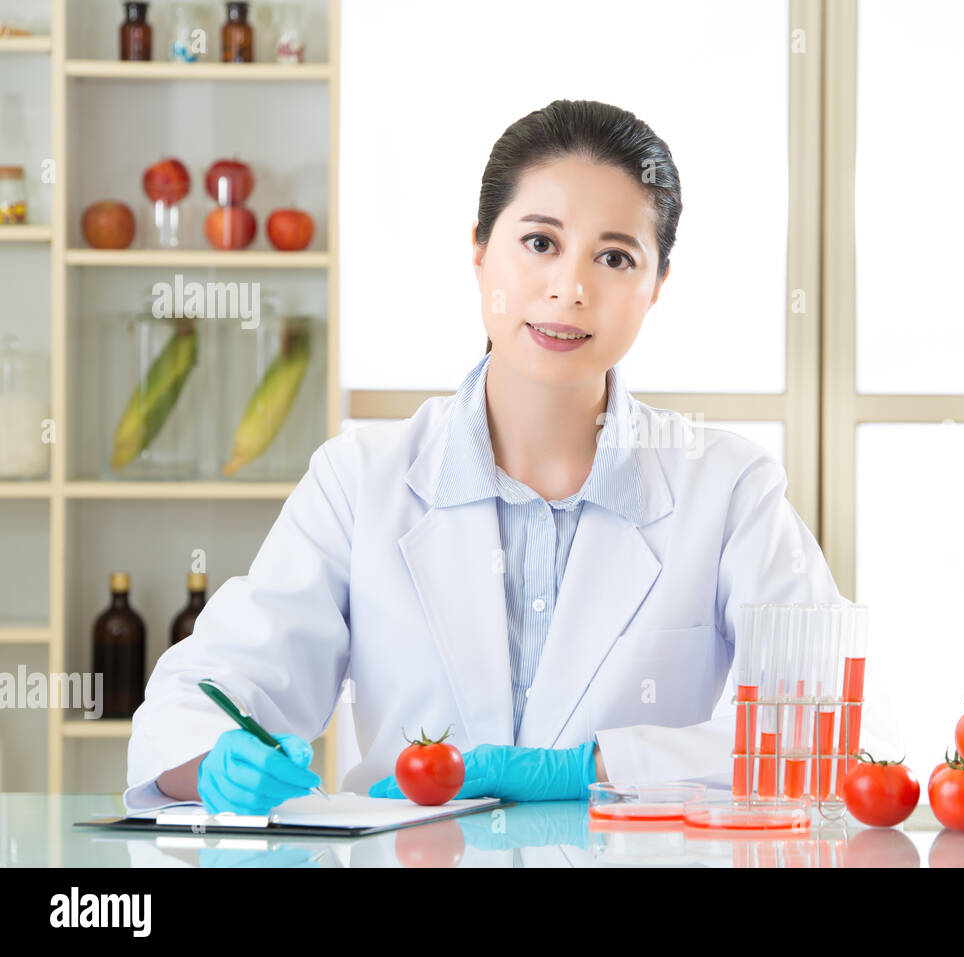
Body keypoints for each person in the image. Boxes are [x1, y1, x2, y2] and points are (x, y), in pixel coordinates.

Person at [124, 99, 844, 815]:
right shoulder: (361, 479)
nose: (570, 288)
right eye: (540, 243)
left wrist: (593, 768)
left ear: (656, 286)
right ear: (478, 250)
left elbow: (832, 728)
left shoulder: (727, 489)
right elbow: (205, 692)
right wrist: (216, 756)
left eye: (616, 256)